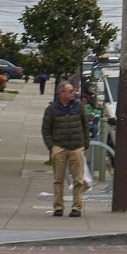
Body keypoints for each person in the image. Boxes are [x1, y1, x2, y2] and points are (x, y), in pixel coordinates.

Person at [40, 81, 90, 218]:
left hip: (76, 147)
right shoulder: (52, 109)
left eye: (73, 90)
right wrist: (52, 147)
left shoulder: (79, 107)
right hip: (60, 147)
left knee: (78, 180)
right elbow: (46, 130)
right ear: (61, 93)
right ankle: (58, 207)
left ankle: (76, 208)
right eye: (70, 91)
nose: (73, 93)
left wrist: (85, 144)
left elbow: (85, 126)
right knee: (58, 180)